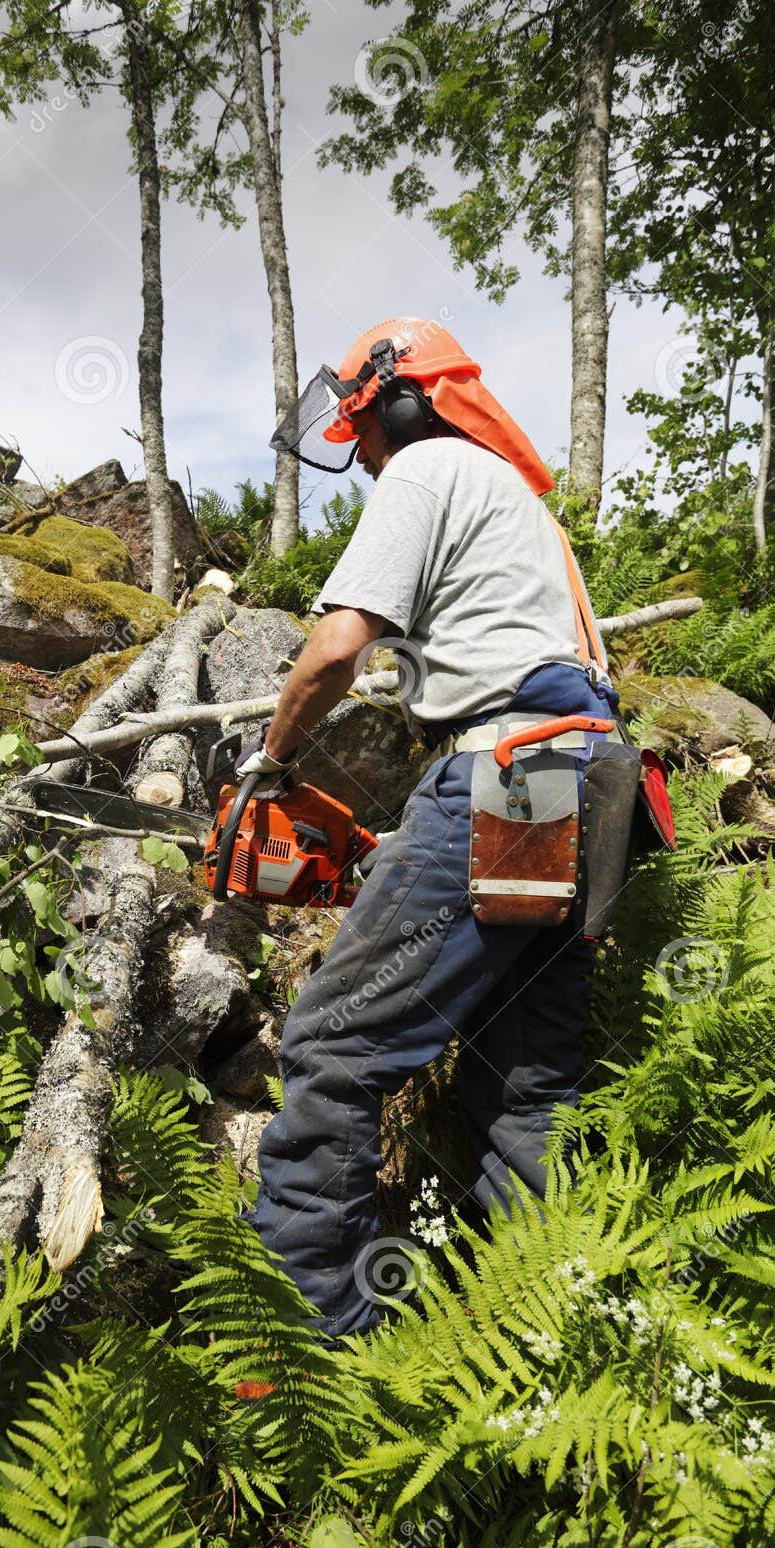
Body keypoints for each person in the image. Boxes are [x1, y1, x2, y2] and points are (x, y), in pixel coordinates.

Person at [237, 316, 622, 1341]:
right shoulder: (526, 516)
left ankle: (313, 1345)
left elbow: (332, 651)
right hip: (584, 779)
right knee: (523, 1081)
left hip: (505, 775)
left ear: (397, 403)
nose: (359, 457)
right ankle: (541, 1338)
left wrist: (266, 766)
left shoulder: (424, 470)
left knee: (332, 1042)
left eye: (358, 431)